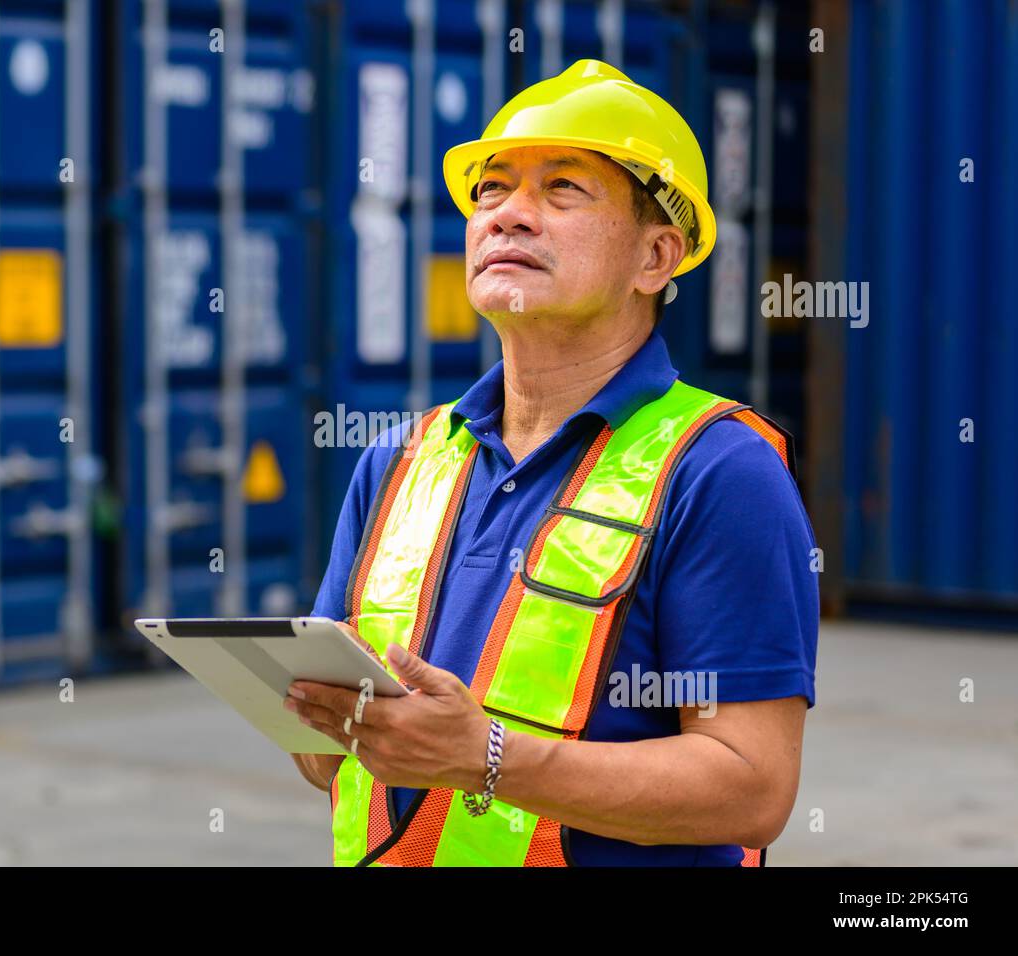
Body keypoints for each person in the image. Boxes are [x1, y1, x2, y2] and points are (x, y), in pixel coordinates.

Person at [288, 59, 818, 866]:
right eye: (491, 190)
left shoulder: (720, 471)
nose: (509, 216)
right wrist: (319, 717)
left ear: (656, 258)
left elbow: (752, 788)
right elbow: (324, 758)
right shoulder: (400, 458)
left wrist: (486, 757)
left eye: (562, 189)